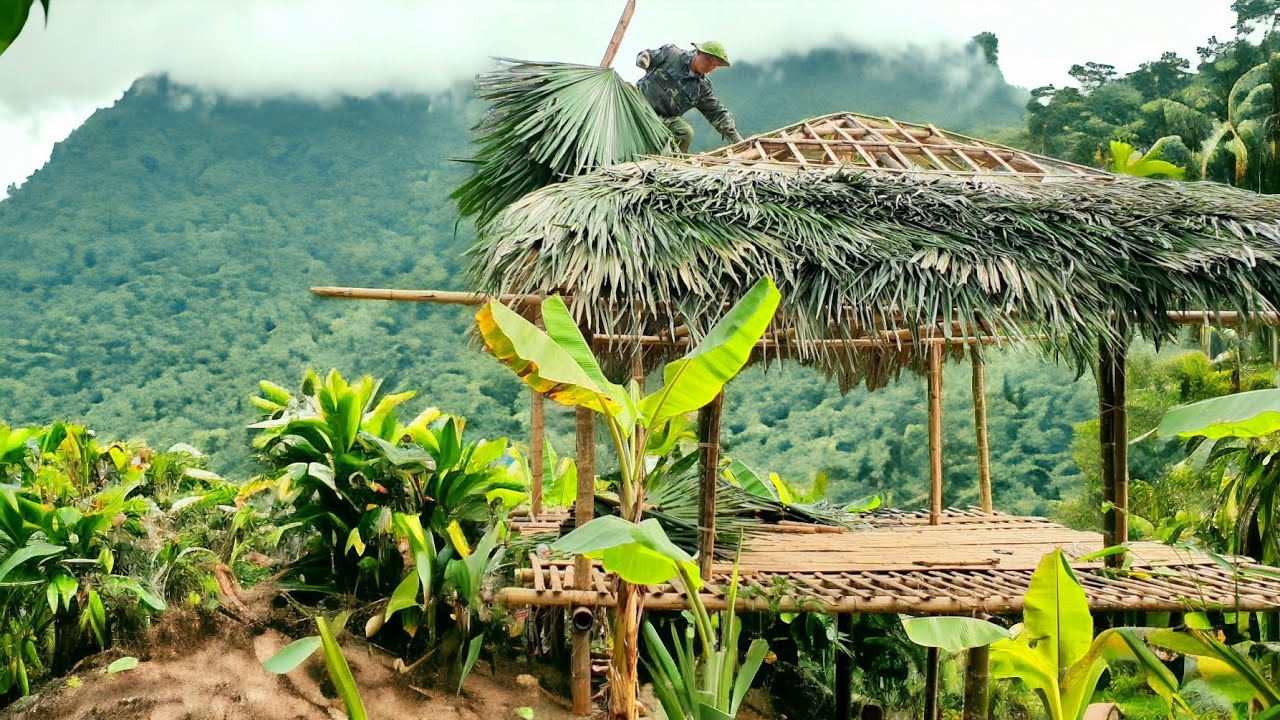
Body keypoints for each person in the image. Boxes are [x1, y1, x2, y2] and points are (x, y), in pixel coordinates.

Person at [635, 41, 744, 153]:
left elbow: (717, 114)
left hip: (661, 119)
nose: (710, 66)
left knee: (685, 132)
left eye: (715, 65)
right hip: (637, 104)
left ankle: (672, 163)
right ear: (698, 52)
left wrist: (737, 140)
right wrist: (644, 59)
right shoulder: (672, 55)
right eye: (708, 60)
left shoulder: (702, 89)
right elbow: (647, 56)